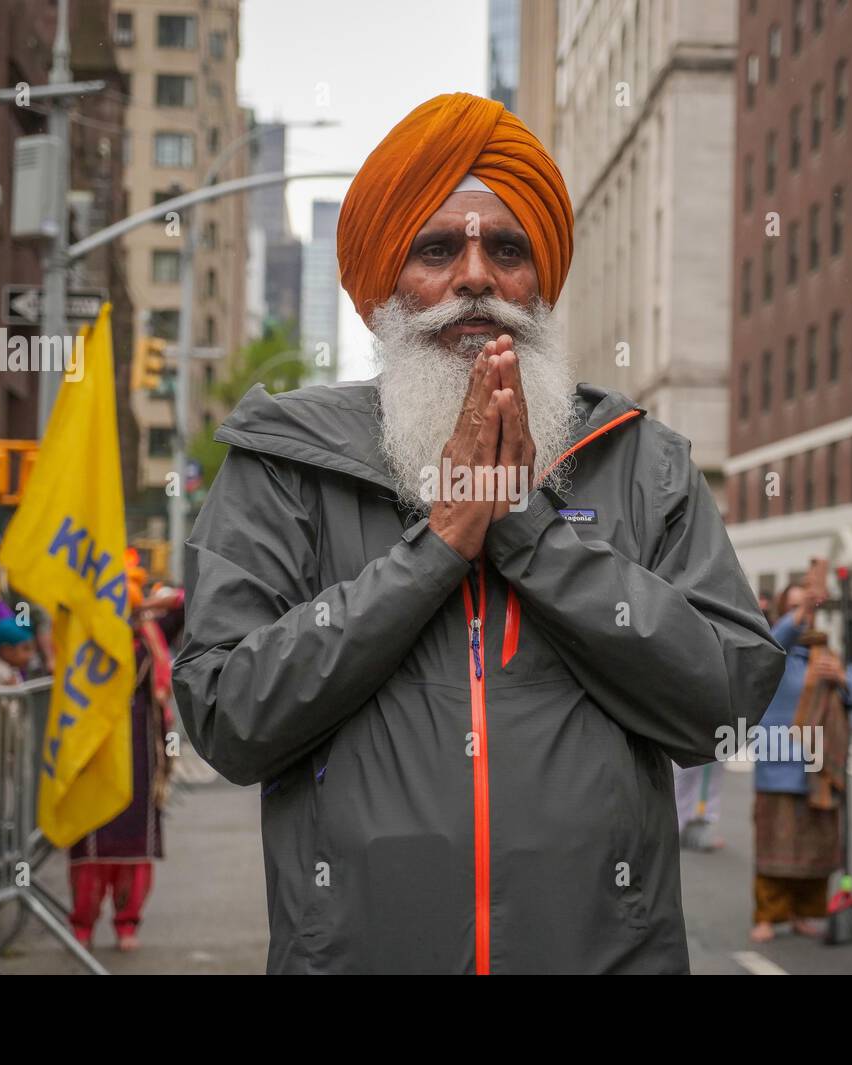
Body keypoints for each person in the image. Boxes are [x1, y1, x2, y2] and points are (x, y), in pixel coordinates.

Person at [173, 92, 785, 975]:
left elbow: (724, 699)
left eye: (506, 249)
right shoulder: (284, 461)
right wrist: (440, 545)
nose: (475, 277)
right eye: (436, 249)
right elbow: (228, 712)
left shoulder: (643, 461)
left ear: (540, 283)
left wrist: (528, 529)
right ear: (385, 283)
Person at [70, 554, 182, 952]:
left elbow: (188, 600)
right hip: (94, 745)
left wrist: (145, 606)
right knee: (93, 835)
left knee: (135, 838)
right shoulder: (86, 631)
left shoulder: (152, 630)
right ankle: (82, 924)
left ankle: (127, 921)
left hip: (141, 744)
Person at [752, 580, 852, 943]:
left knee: (815, 844)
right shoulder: (770, 651)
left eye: (807, 609)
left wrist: (841, 679)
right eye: (794, 609)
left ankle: (804, 912)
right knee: (776, 841)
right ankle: (768, 916)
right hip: (778, 763)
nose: (803, 617)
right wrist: (798, 614)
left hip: (819, 767)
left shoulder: (825, 655)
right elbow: (778, 639)